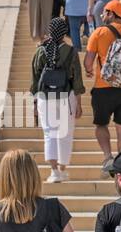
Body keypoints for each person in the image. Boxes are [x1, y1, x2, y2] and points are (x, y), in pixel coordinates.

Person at [85, 0, 121, 175]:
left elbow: (88, 61)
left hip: (104, 87)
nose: (102, 15)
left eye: (104, 12)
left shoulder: (99, 33)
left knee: (101, 124)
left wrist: (89, 71)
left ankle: (107, 157)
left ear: (111, 14)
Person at [30, 17, 86, 183]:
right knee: (65, 134)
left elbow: (34, 79)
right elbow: (77, 80)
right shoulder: (71, 51)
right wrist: (79, 104)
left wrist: (34, 102)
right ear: (64, 33)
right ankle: (62, 169)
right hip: (65, 97)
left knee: (49, 133)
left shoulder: (41, 51)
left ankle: (53, 171)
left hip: (44, 97)